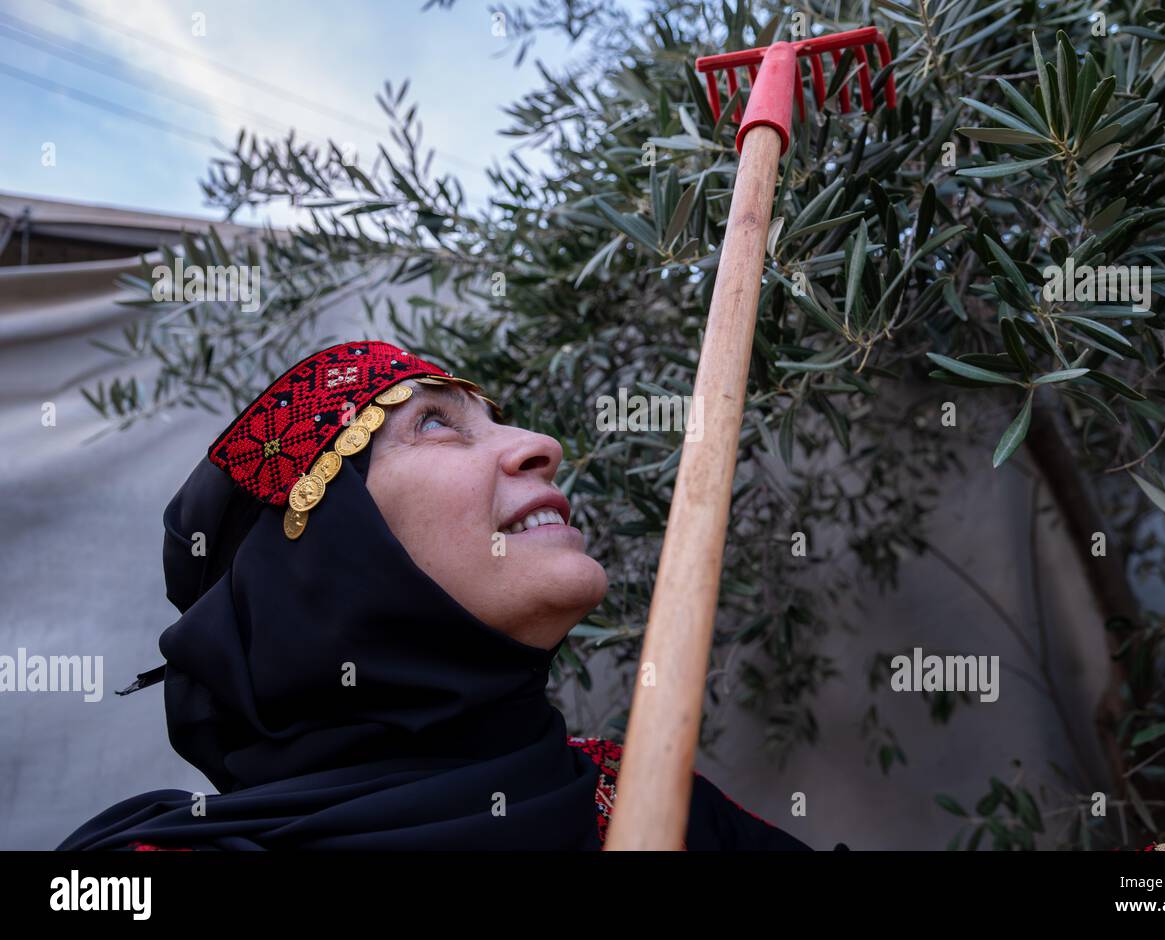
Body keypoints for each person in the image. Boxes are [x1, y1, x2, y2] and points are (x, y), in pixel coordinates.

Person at [55, 340, 811, 851]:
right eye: (436, 424)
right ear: (331, 549)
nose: (539, 444)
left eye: (494, 417)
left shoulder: (650, 806)